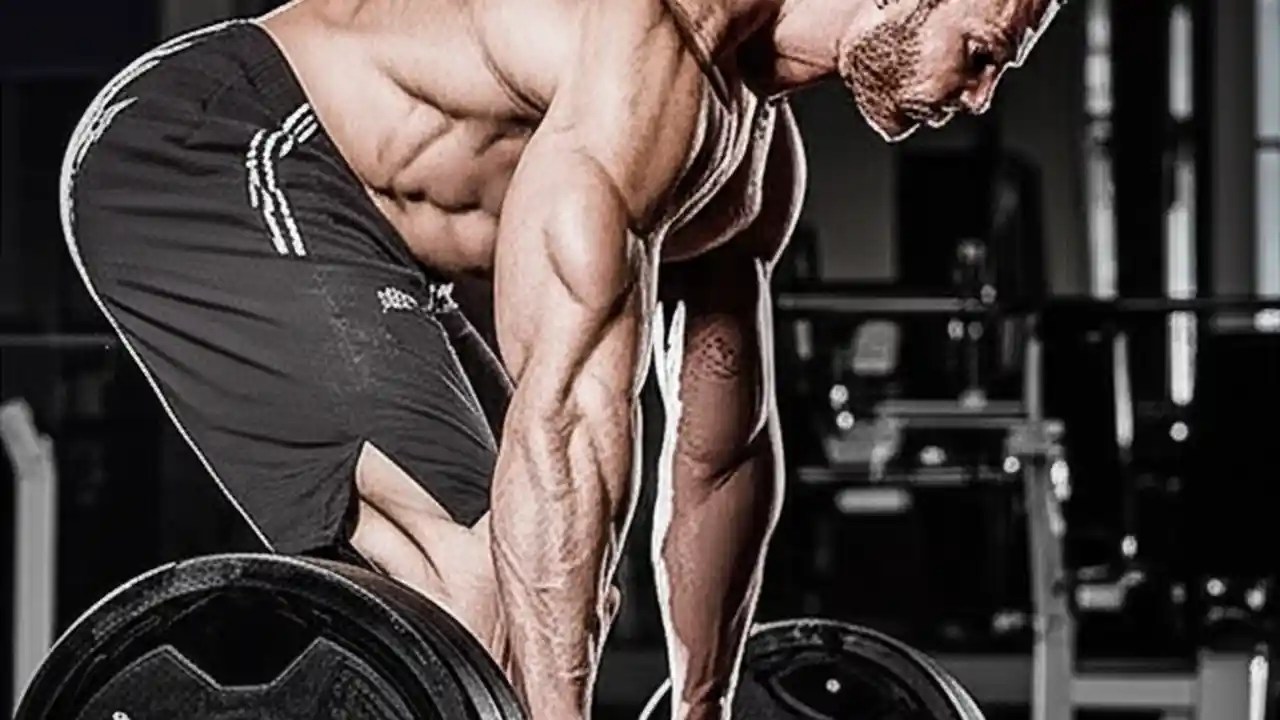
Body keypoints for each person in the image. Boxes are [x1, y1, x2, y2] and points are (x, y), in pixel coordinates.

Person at [59, 0, 1062, 716]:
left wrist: (702, 703)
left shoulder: (755, 163)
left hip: (360, 233)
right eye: (979, 53)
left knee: (557, 592)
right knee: (500, 580)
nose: (976, 99)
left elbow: (718, 458)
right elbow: (573, 423)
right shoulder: (642, 52)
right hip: (210, 139)